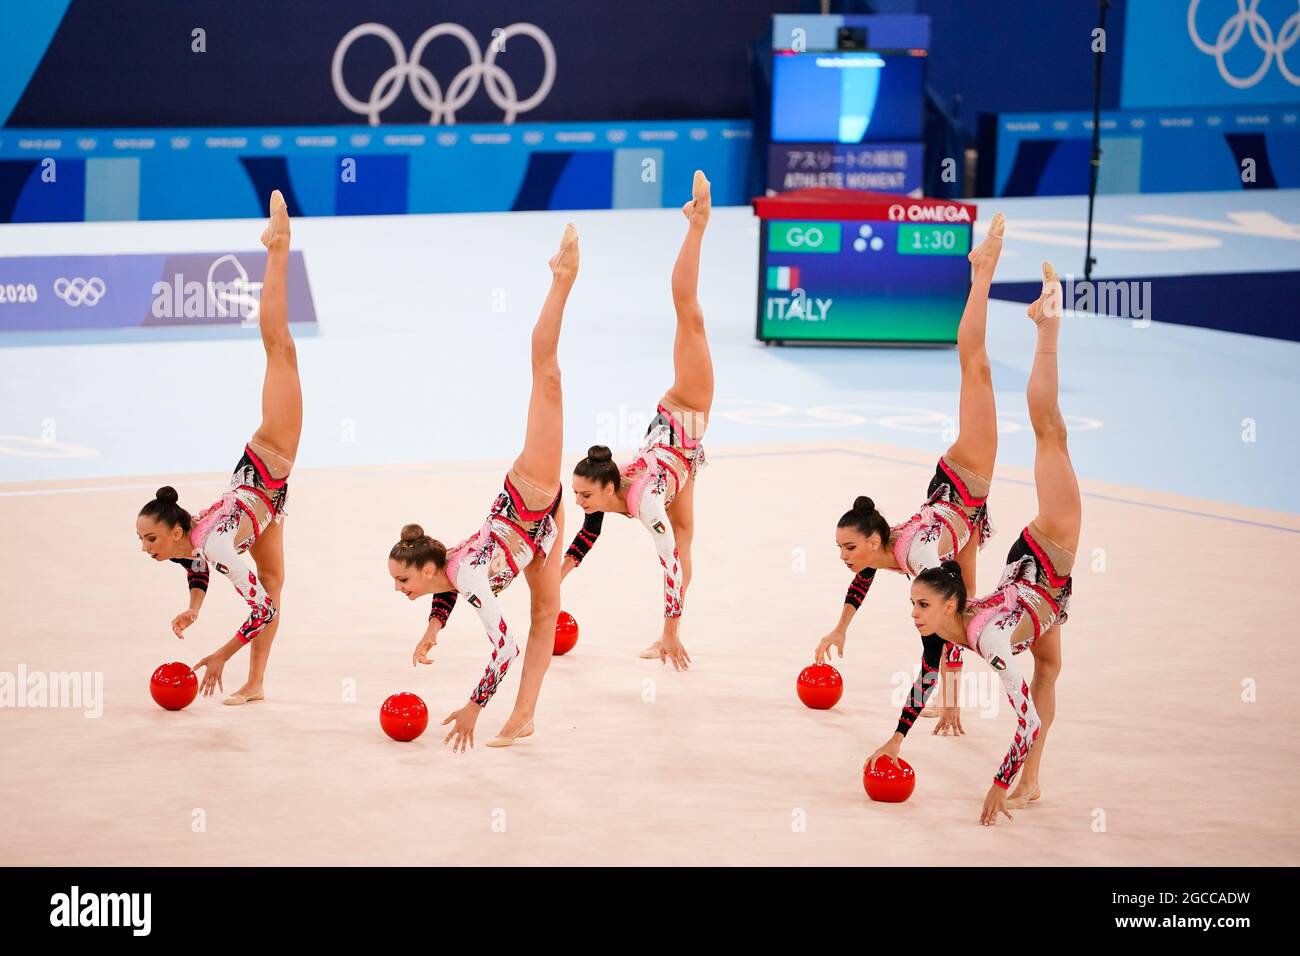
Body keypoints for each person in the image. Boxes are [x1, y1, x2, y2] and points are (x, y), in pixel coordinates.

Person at [868, 261, 1079, 826]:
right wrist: (896, 743)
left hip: (1038, 561)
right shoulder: (956, 625)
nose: (912, 613)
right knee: (1050, 671)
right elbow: (926, 676)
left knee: (1047, 427)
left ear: (948, 605)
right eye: (915, 604)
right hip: (1031, 583)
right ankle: (1033, 781)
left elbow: (1024, 720)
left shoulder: (982, 638)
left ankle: (1043, 321)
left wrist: (994, 784)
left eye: (919, 605)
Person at [388, 224, 578, 751]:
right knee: (545, 613)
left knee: (546, 374)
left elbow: (504, 648)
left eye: (403, 580)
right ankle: (523, 715)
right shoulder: (449, 573)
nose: (399, 589)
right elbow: (448, 589)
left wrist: (472, 708)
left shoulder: (466, 573)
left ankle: (563, 278)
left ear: (426, 568)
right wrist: (432, 629)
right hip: (540, 523)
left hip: (529, 494)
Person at [815, 213, 1007, 731]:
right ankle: (956, 700)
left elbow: (941, 629)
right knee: (964, 606)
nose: (844, 557)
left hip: (965, 479)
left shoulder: (920, 562)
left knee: (975, 363)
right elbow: (868, 581)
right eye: (841, 548)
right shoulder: (887, 554)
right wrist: (840, 628)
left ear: (874, 542)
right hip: (959, 515)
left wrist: (921, 715)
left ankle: (983, 269)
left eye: (849, 548)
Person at [135, 190, 301, 705]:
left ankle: (279, 246)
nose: (145, 548)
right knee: (271, 584)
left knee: (279, 347)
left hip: (269, 457)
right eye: (144, 540)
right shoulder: (196, 545)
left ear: (178, 529)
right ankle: (256, 684)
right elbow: (197, 564)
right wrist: (195, 608)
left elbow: (218, 568)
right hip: (265, 503)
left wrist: (218, 654)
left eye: (150, 539)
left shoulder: (216, 545)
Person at [562, 171, 715, 671]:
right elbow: (586, 538)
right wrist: (553, 581)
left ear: (606, 489)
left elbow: (665, 560)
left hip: (684, 411)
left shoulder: (644, 500)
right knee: (687, 539)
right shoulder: (603, 496)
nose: (579, 502)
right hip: (682, 459)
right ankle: (669, 635)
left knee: (686, 311)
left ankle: (698, 223)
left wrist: (671, 628)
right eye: (580, 495)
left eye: (584, 495)